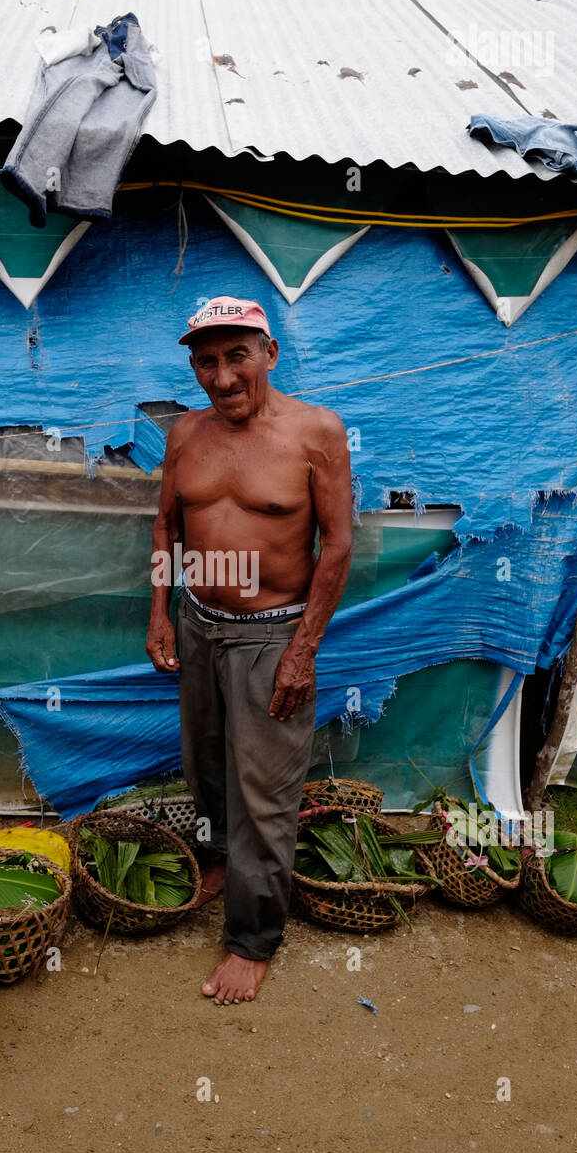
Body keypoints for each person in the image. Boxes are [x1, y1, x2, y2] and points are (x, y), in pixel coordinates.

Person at [146, 296, 353, 1004]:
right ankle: (215, 863)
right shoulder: (184, 435)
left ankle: (253, 939)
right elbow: (166, 526)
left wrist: (304, 649)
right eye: (207, 361)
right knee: (205, 765)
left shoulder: (317, 432)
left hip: (275, 633)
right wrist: (162, 614)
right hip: (200, 621)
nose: (223, 376)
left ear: (269, 353)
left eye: (238, 356)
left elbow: (339, 545)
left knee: (263, 793)